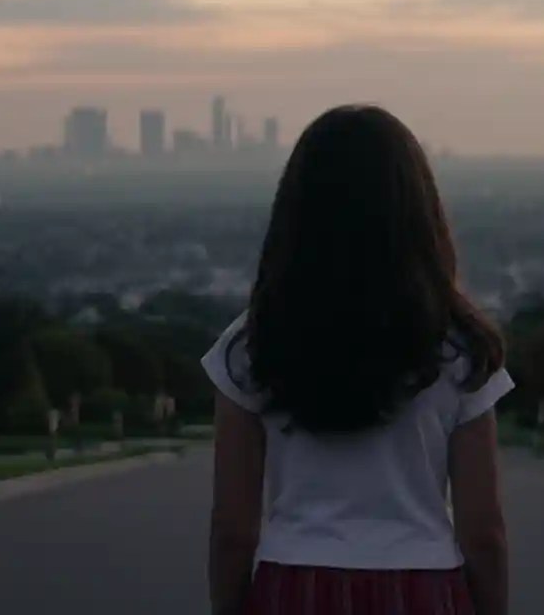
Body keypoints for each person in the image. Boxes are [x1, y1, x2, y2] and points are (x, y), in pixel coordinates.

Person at [204, 105, 513, 615]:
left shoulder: (253, 344)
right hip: (423, 589)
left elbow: (232, 530)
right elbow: (485, 532)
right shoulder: (461, 347)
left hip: (292, 588)